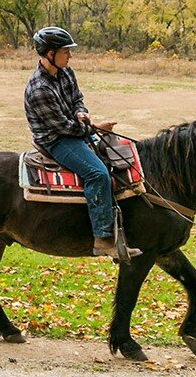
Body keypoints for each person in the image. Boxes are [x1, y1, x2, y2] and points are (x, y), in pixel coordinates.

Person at [23, 27, 140, 261]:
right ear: (49, 53)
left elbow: (77, 99)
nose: (70, 55)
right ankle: (103, 238)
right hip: (56, 141)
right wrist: (95, 128)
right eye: (66, 51)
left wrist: (81, 112)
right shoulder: (39, 89)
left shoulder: (65, 73)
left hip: (74, 130)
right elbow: (63, 128)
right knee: (97, 174)